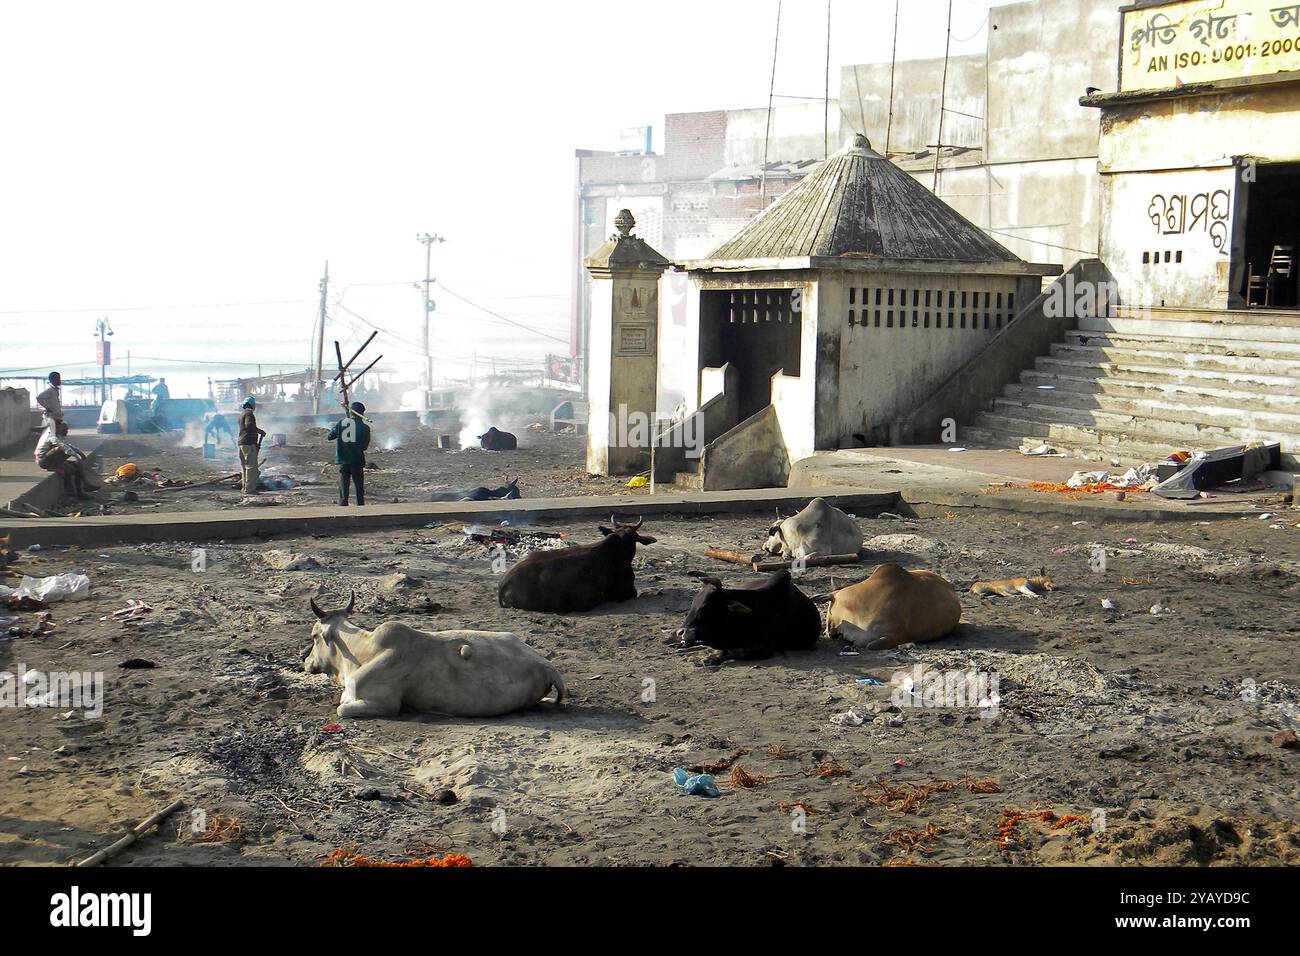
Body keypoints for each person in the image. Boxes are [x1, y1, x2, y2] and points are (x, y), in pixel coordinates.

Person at [34, 420, 97, 499]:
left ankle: (82, 490)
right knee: (59, 449)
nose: (66, 431)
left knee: (75, 466)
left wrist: (80, 453)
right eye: (64, 429)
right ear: (58, 428)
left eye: (66, 429)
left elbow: (68, 445)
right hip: (44, 461)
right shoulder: (51, 436)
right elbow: (63, 447)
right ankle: (72, 494)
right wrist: (76, 455)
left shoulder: (59, 436)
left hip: (53, 460)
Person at [327, 401, 372, 506]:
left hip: (343, 460)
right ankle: (361, 509)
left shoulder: (341, 423)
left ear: (351, 412)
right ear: (362, 413)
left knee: (343, 490)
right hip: (357, 460)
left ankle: (343, 509)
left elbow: (329, 436)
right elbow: (364, 447)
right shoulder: (365, 428)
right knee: (359, 489)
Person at [237, 397, 265, 493]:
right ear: (252, 405)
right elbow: (249, 426)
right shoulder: (249, 413)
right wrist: (260, 431)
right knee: (251, 467)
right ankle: (250, 490)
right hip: (249, 443)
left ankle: (245, 488)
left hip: (242, 443)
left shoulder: (242, 414)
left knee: (245, 467)